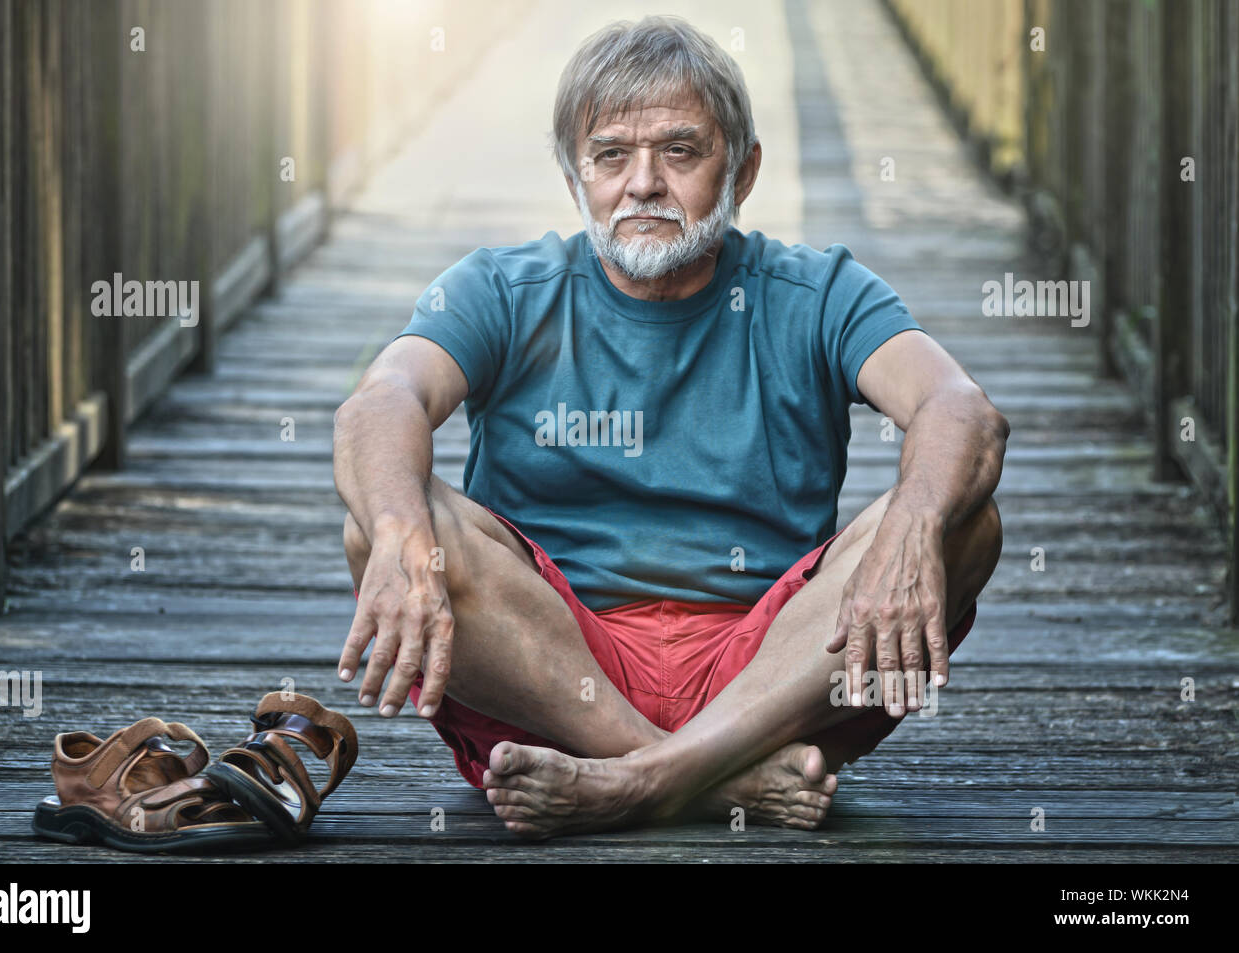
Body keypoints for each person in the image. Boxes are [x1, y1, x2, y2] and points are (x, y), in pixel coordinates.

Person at [332, 15, 1007, 839]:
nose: (643, 183)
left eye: (681, 152)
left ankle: (638, 779)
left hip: (769, 675)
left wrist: (913, 521)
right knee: (383, 527)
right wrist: (401, 530)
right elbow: (382, 400)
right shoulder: (504, 288)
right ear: (574, 173)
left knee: (962, 520)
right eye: (611, 154)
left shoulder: (820, 292)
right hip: (550, 670)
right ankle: (705, 775)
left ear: (744, 170)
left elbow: (960, 408)